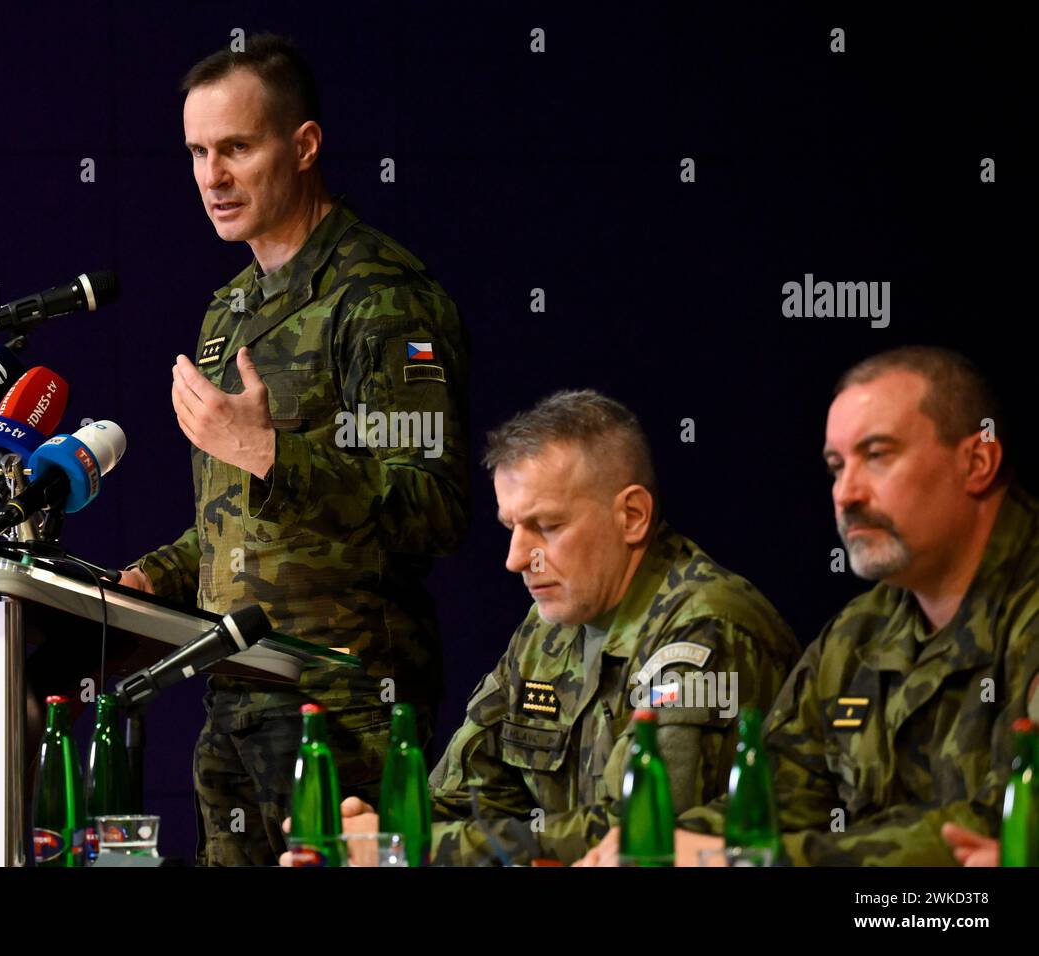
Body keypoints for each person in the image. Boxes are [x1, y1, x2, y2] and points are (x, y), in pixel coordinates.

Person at [116, 33, 469, 866]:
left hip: (347, 709)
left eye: (237, 147)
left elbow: (434, 507)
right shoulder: (228, 312)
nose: (212, 176)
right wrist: (142, 585)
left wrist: (274, 452)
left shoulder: (382, 300)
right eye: (199, 152)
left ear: (304, 145)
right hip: (235, 691)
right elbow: (240, 523)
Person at [284, 389, 798, 865]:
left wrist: (419, 849)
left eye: (547, 526)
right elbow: (470, 796)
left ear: (633, 516)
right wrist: (380, 834)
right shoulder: (550, 623)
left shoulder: (708, 631)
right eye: (511, 528)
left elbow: (640, 839)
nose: (514, 559)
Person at [579, 346, 1039, 866]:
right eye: (837, 466)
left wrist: (741, 859)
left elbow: (1004, 828)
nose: (846, 493)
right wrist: (654, 847)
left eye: (879, 454)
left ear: (977, 462)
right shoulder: (860, 633)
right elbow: (773, 797)